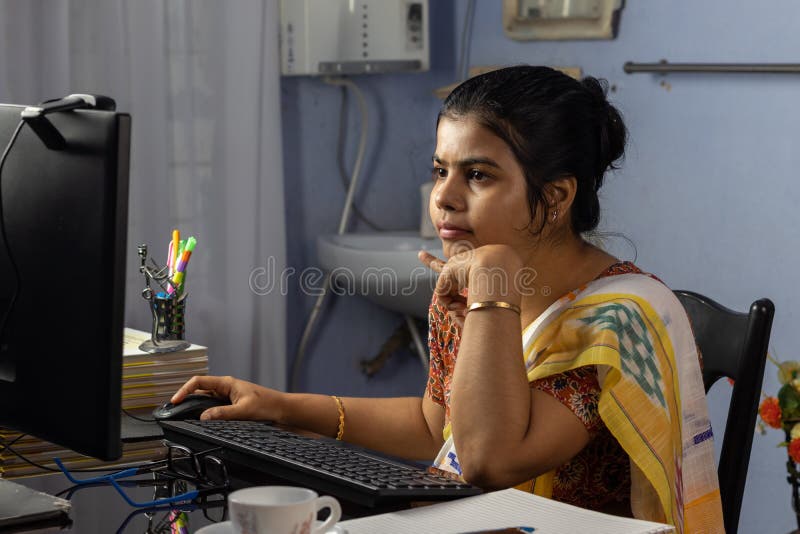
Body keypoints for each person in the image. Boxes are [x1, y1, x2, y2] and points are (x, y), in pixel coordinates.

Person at [170, 66, 723, 533]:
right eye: (440, 170)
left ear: (554, 197)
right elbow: (437, 425)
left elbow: (488, 459)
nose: (444, 197)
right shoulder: (472, 283)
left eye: (477, 175)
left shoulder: (618, 321)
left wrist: (495, 288)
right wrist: (280, 406)